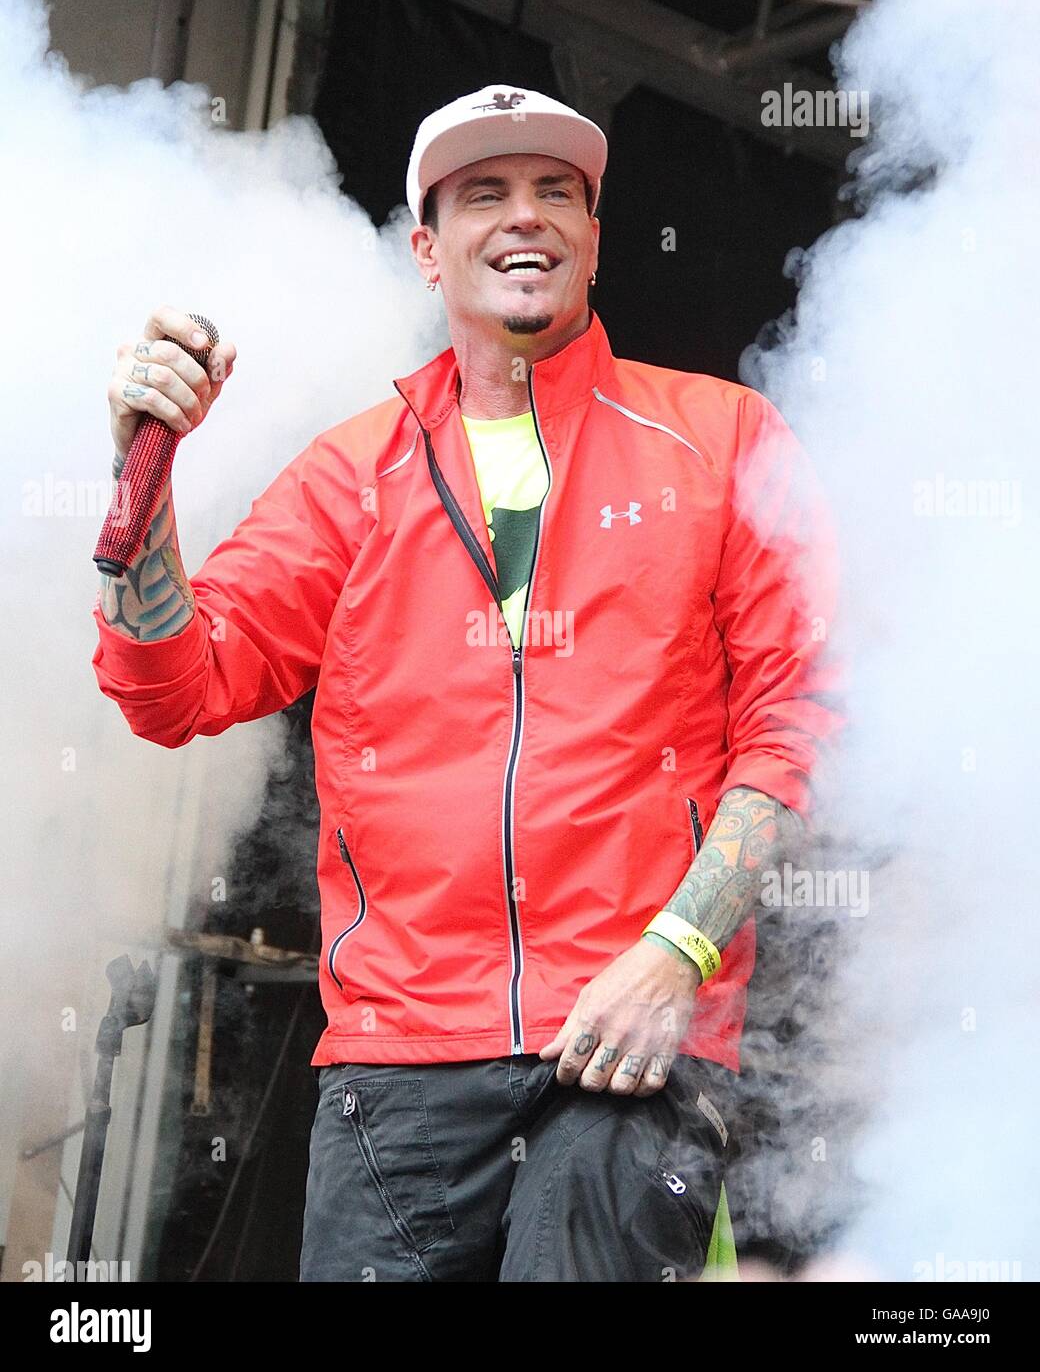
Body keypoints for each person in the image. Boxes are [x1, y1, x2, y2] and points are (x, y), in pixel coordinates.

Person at [91, 84, 844, 1282]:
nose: (522, 216)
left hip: (629, 1037)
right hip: (395, 1053)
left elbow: (797, 726)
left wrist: (675, 955)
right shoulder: (352, 473)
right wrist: (142, 474)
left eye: (556, 191)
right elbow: (175, 687)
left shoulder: (725, 439)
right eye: (482, 192)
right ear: (426, 250)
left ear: (596, 238)